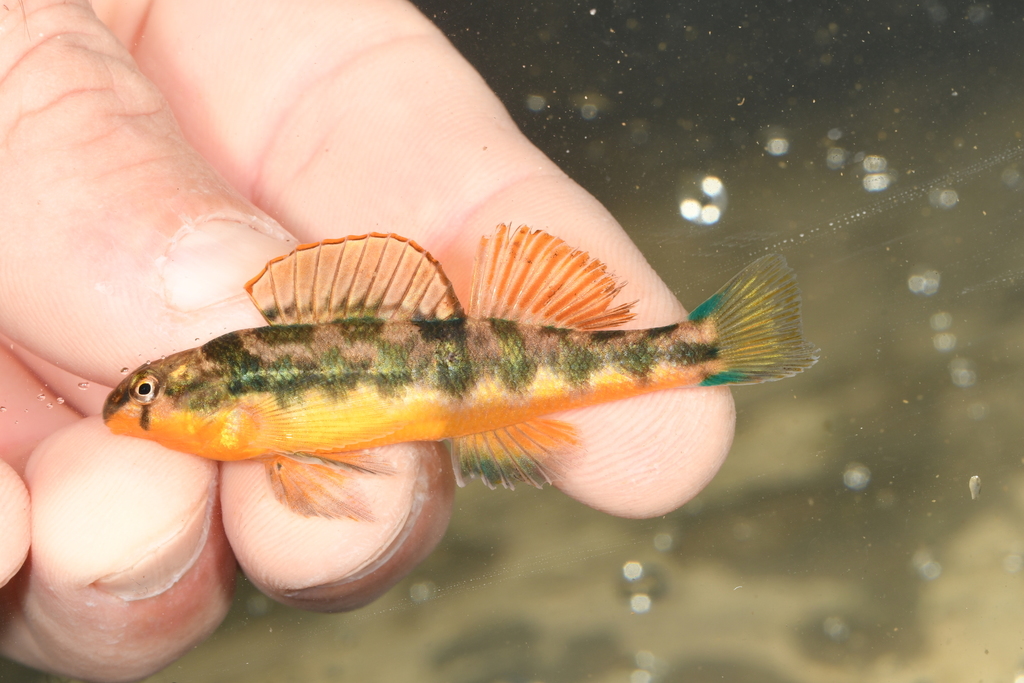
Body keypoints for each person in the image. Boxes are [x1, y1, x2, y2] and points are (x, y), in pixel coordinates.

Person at [0, 0, 735, 679]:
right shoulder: (236, 415)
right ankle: (700, 348)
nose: (136, 403)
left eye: (148, 390)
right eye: (141, 391)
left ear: (204, 387)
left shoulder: (234, 388)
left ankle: (705, 346)